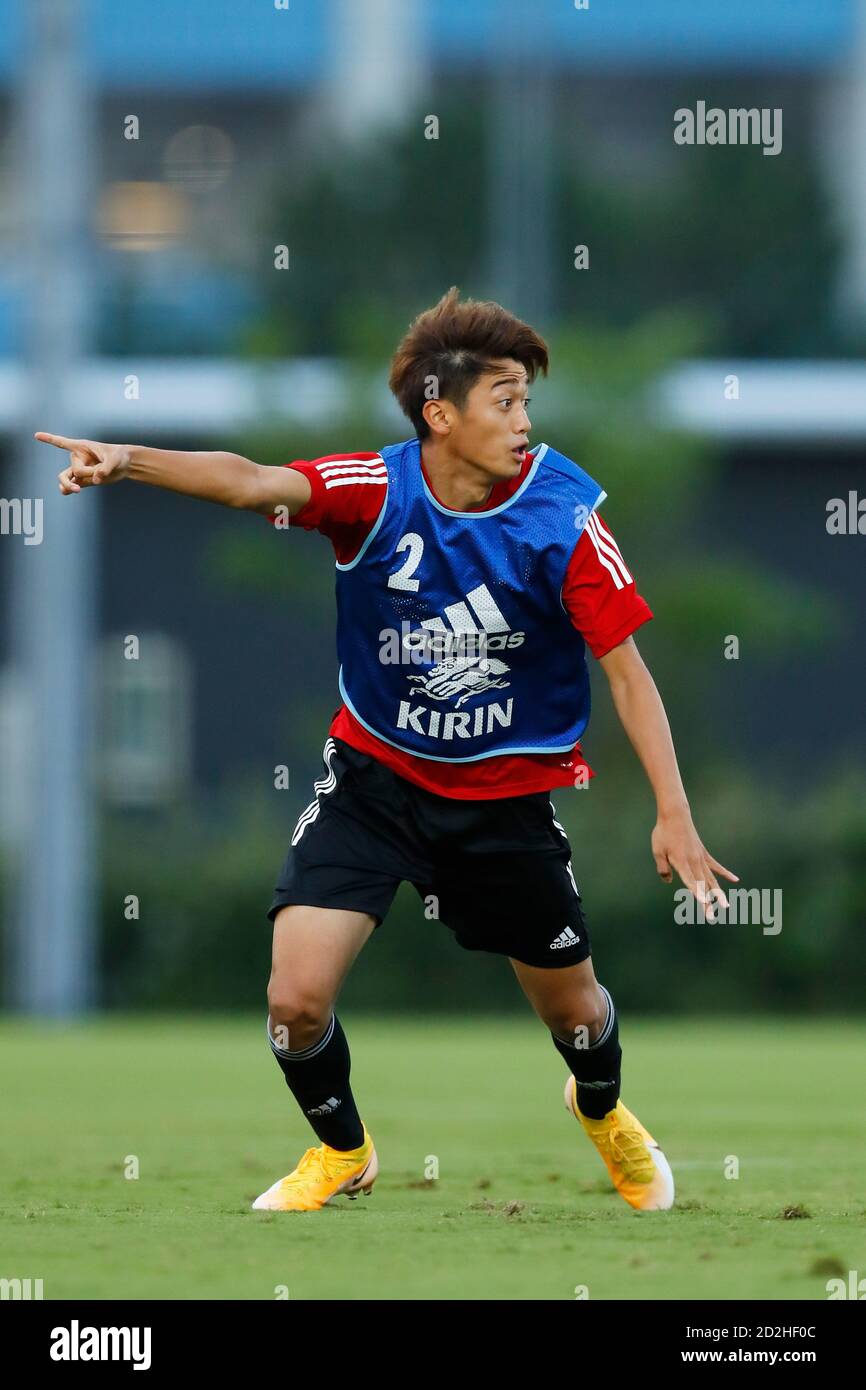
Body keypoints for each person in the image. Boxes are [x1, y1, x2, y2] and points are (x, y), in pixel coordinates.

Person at [36, 287, 738, 1215]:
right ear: (440, 414)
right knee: (294, 1001)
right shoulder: (376, 492)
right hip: (375, 784)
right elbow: (252, 481)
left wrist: (674, 814)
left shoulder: (563, 517)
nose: (524, 420)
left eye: (526, 399)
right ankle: (343, 1149)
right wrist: (129, 461)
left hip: (506, 804)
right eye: (506, 399)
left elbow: (629, 674)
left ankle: (602, 1110)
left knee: (576, 1014)